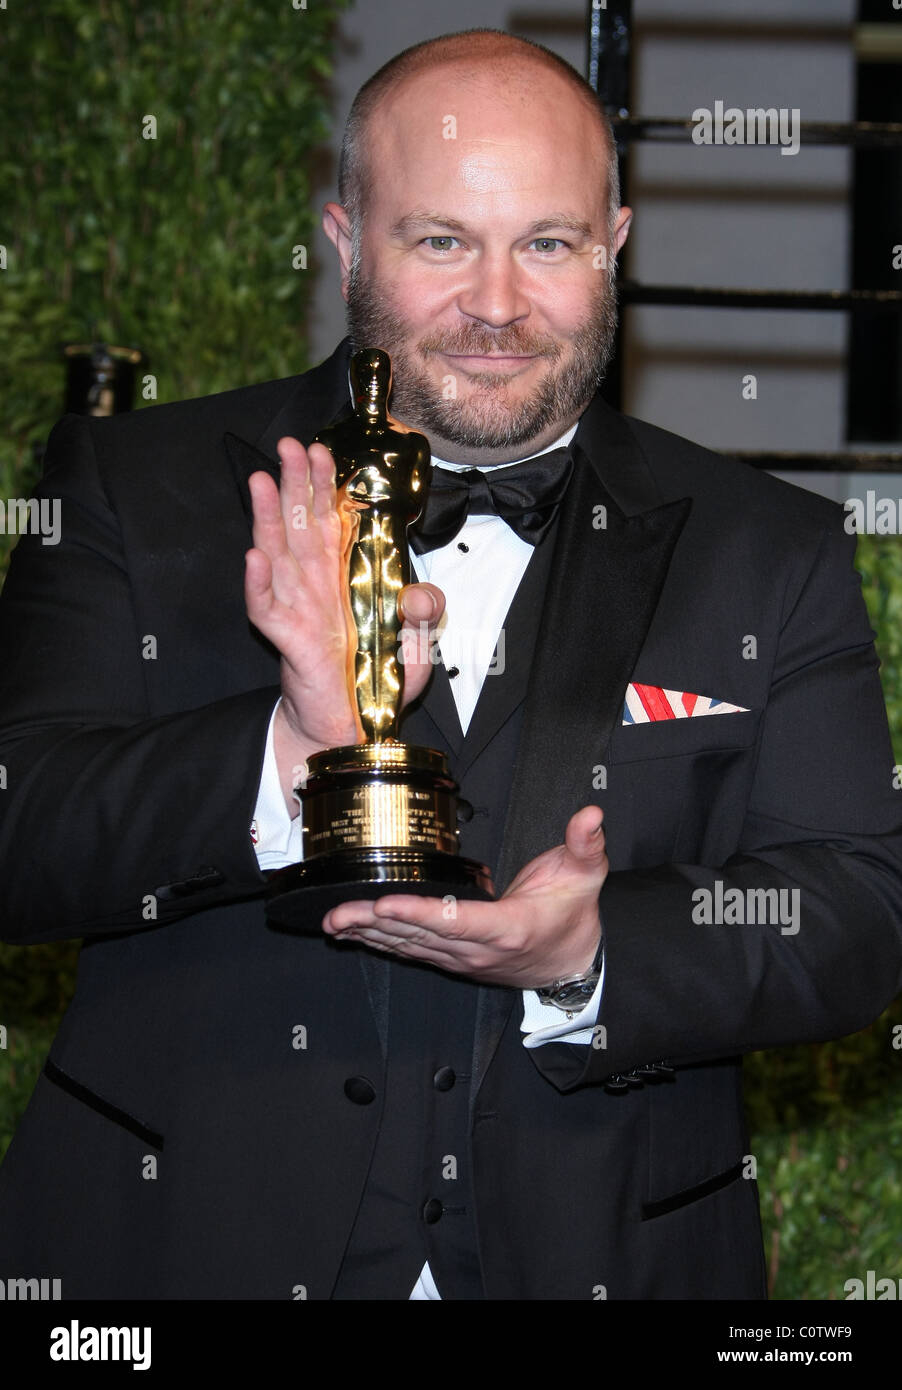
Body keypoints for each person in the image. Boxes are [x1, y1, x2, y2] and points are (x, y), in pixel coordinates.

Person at [1, 28, 901, 1302]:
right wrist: (289, 749)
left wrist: (593, 955)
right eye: (440, 242)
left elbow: (858, 911)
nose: (495, 302)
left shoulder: (769, 547)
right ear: (345, 238)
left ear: (615, 243)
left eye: (546, 242)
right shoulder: (136, 487)